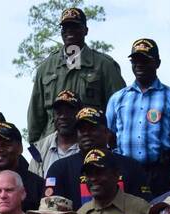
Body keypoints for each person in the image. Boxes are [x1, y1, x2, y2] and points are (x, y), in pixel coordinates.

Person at [26, 7, 125, 145]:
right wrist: (36, 149)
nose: (69, 31)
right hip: (52, 147)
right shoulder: (45, 68)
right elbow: (36, 116)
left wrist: (113, 145)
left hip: (90, 145)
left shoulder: (104, 65)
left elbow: (120, 111)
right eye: (65, 27)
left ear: (85, 30)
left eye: (74, 26)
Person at [106, 38, 170, 197]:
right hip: (125, 173)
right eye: (135, 60)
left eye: (145, 60)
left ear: (157, 63)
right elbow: (109, 138)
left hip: (160, 173)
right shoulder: (117, 99)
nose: (139, 65)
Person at [46, 106, 152, 208]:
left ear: (106, 133)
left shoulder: (131, 166)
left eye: (92, 128)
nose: (86, 133)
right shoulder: (60, 169)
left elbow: (144, 208)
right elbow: (51, 210)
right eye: (81, 130)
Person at [76, 149, 151, 214]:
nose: (93, 178)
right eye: (88, 174)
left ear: (116, 175)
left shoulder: (141, 209)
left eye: (99, 172)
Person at [28, 90, 83, 177]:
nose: (63, 117)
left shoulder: (89, 145)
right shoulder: (40, 149)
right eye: (59, 112)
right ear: (53, 117)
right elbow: (31, 184)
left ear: (79, 115)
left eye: (68, 112)